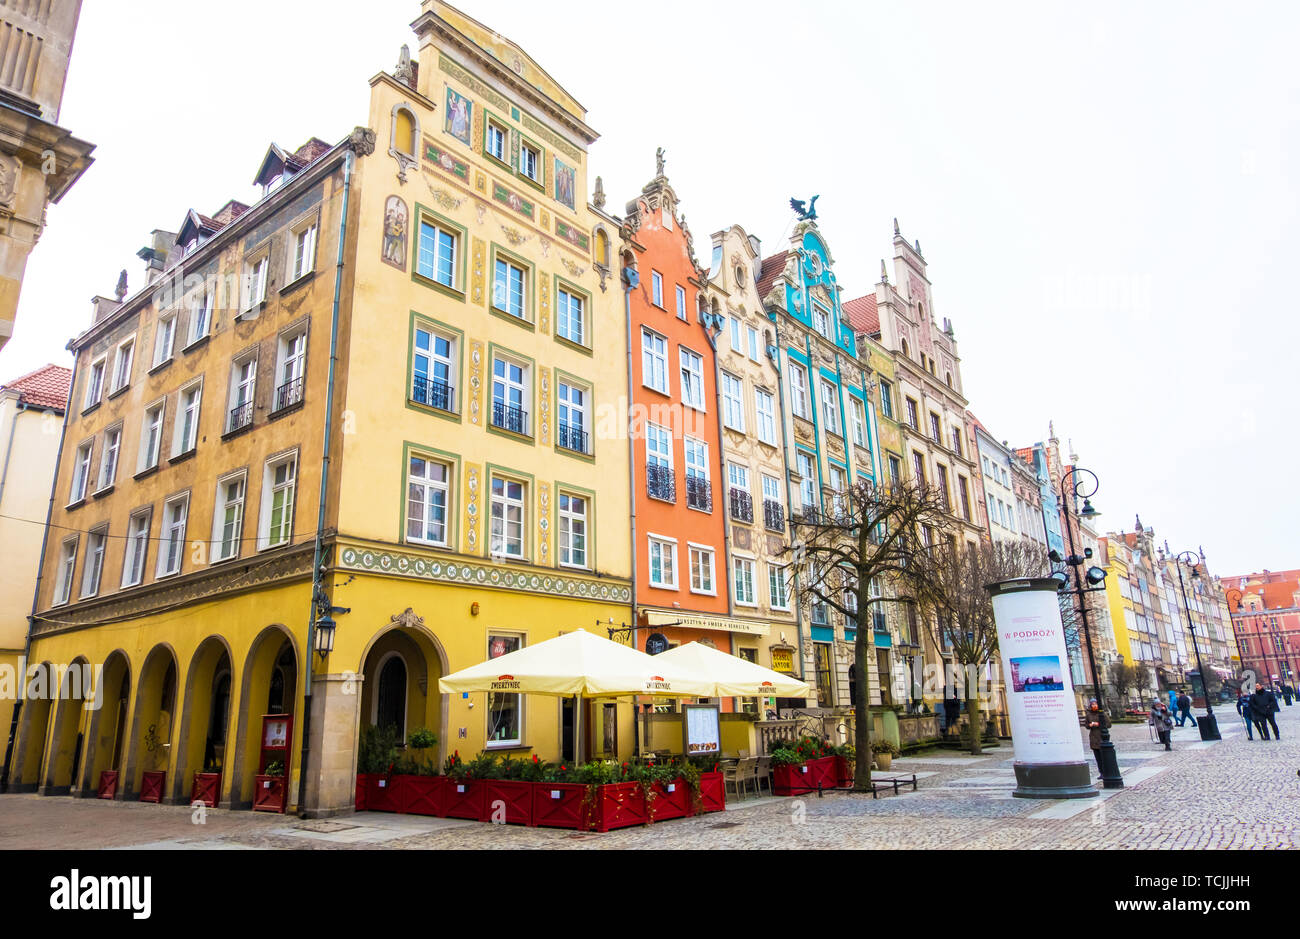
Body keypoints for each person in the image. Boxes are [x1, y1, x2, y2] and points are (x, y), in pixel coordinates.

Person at [1085, 699, 1111, 776]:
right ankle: (1101, 773)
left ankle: (1107, 772)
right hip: (1093, 738)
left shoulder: (1102, 713)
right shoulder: (1088, 715)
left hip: (1102, 737)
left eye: (1096, 704)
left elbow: (1109, 724)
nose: (1094, 706)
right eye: (1093, 704)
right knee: (1098, 758)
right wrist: (1089, 725)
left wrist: (1099, 724)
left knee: (1104, 757)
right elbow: (1086, 725)